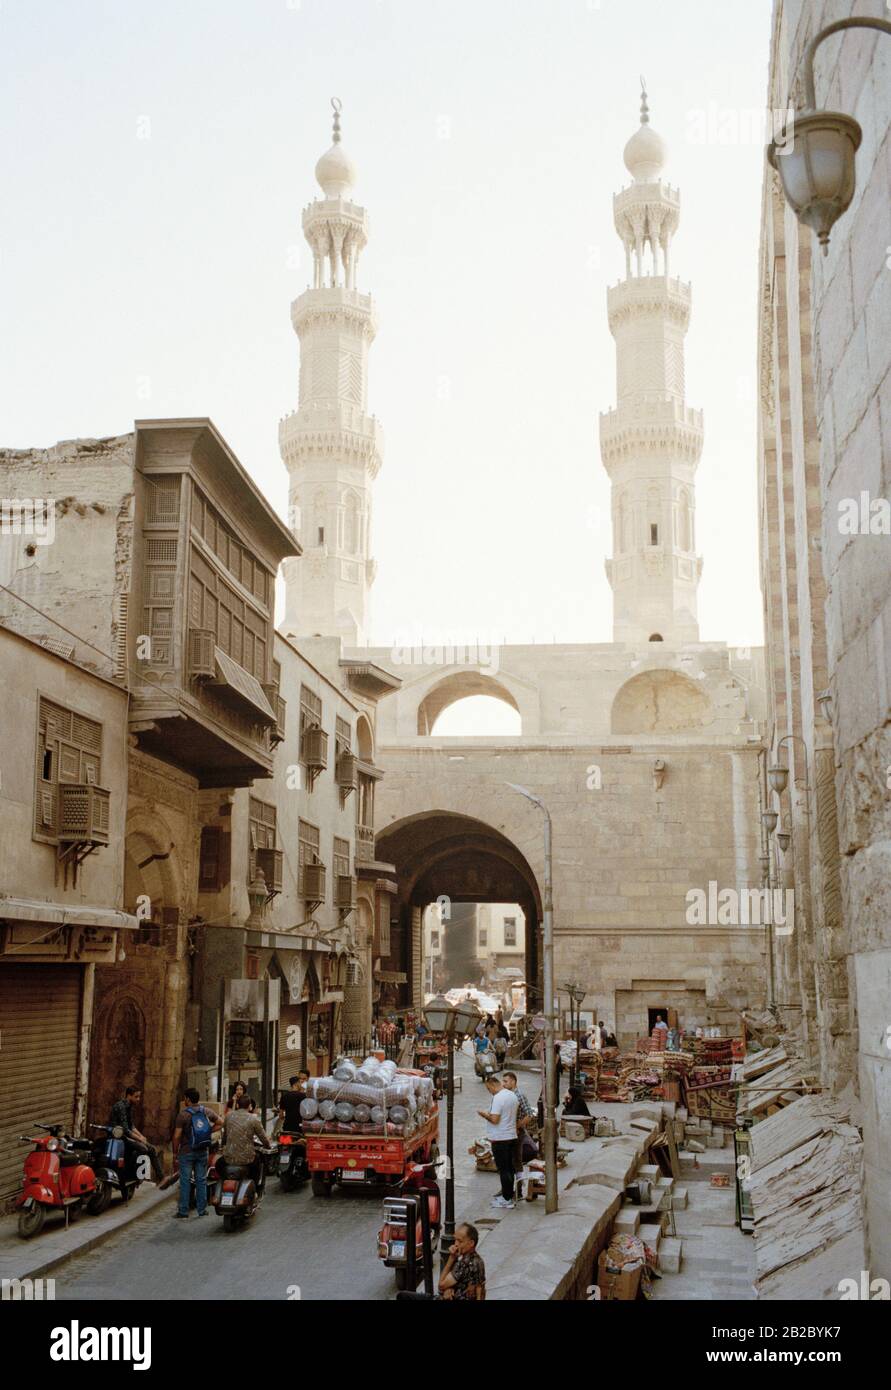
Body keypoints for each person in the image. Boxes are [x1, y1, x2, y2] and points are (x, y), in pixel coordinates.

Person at [171, 1087, 222, 1218]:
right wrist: (208, 1131)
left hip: (186, 1152)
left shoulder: (183, 1115)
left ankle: (183, 1211)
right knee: (201, 1180)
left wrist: (175, 1153)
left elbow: (177, 1136)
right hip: (202, 1150)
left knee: (185, 1181)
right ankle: (202, 1210)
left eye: (185, 1098)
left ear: (188, 1099)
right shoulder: (206, 1111)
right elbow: (221, 1122)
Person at [477, 1074, 519, 1209]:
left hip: (500, 1138)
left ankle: (507, 1199)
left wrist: (484, 1115)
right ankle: (509, 1194)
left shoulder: (498, 1097)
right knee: (509, 1168)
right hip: (511, 1136)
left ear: (493, 1085)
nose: (490, 1092)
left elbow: (495, 1119)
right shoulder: (512, 1095)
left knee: (503, 1170)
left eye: (489, 1089)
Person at [109, 1086, 164, 1182]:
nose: (138, 1099)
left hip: (126, 1135)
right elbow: (125, 1130)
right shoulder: (121, 1107)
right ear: (129, 1096)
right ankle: (131, 1174)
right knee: (143, 1148)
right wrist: (139, 1139)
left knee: (151, 1149)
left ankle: (161, 1177)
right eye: (136, 1096)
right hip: (119, 1137)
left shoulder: (129, 1106)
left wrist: (141, 1136)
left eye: (139, 1096)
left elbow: (131, 1126)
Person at [221, 1095, 275, 1185]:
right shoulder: (254, 1119)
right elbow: (263, 1138)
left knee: (218, 1164)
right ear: (250, 1106)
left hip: (229, 1158)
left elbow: (225, 1135)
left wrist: (222, 1146)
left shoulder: (228, 1116)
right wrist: (268, 1146)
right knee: (257, 1164)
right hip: (247, 1159)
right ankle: (256, 1187)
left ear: (237, 1105)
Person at [438, 1223, 486, 1300]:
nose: (456, 1244)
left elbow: (441, 1285)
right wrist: (449, 1288)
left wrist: (451, 1258)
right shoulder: (479, 1261)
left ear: (471, 1243)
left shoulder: (463, 1264)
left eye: (460, 1241)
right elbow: (480, 1288)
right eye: (455, 1240)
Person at [502, 1071, 538, 1168]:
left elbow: (529, 1114)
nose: (503, 1084)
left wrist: (516, 1126)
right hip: (507, 1131)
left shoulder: (519, 1096)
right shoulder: (506, 1095)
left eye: (505, 1081)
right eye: (503, 1081)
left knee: (529, 1152)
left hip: (517, 1131)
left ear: (513, 1082)